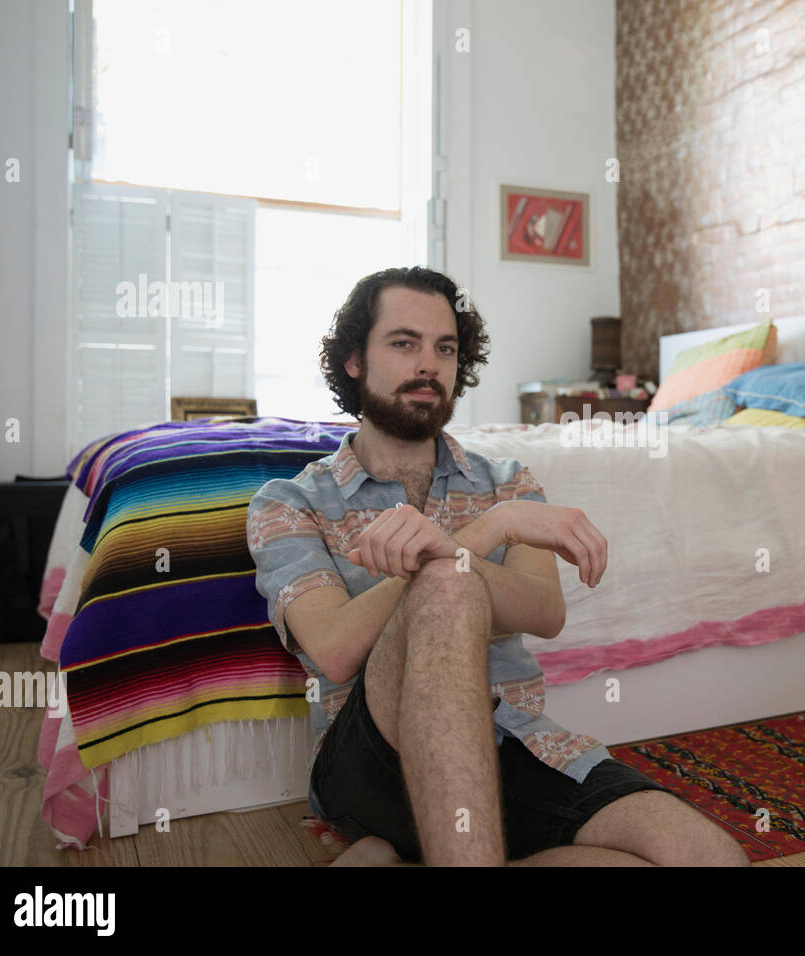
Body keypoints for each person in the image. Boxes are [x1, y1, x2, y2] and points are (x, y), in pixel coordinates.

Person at [246, 266, 749, 867]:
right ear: (354, 359)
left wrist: (454, 543)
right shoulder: (289, 501)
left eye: (445, 347)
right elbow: (332, 648)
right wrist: (483, 534)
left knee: (708, 857)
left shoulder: (508, 482)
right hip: (370, 756)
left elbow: (544, 611)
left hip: (512, 743)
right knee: (447, 585)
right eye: (404, 344)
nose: (428, 364)